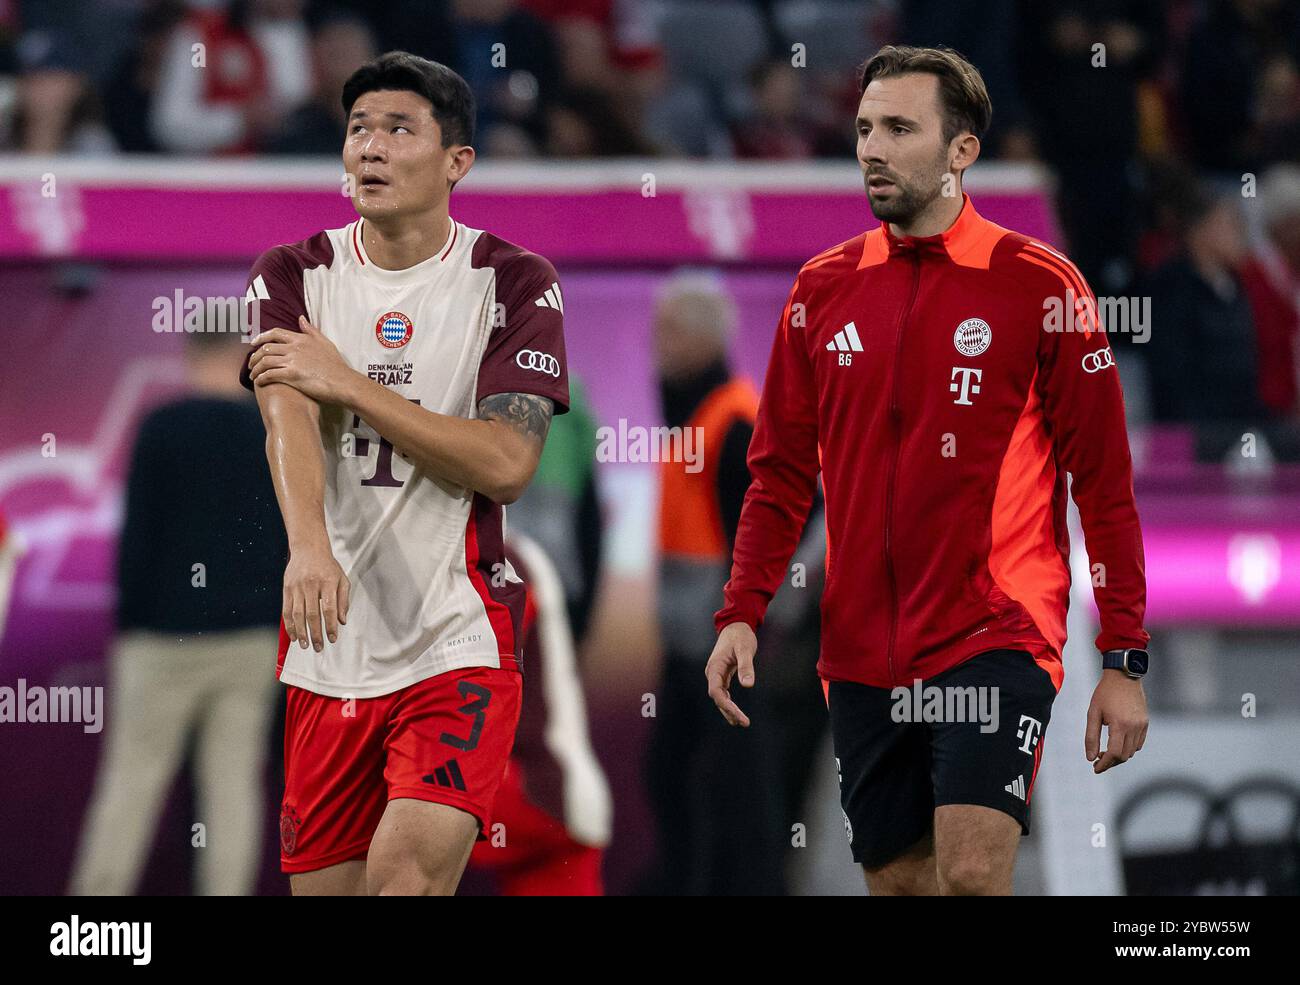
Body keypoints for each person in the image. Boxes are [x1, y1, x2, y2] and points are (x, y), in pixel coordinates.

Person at [705, 45, 1151, 896]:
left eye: (900, 128)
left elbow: (1104, 485)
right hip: (862, 648)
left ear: (961, 150)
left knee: (975, 875)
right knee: (905, 886)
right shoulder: (820, 290)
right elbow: (779, 475)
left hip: (995, 632)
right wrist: (742, 610)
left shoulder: (1041, 286)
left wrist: (1125, 658)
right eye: (865, 128)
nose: (872, 147)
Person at [241, 51, 568, 896]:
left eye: (397, 130)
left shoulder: (515, 283)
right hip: (330, 643)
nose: (370, 150)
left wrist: (348, 380)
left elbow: (505, 464)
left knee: (405, 883)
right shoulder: (291, 274)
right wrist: (308, 547)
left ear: (457, 162)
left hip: (458, 634)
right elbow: (288, 419)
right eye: (357, 130)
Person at [70, 328, 286, 896]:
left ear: (190, 354)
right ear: (244, 357)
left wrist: (130, 629)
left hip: (162, 640)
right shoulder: (271, 430)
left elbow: (137, 539)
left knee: (130, 786)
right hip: (252, 639)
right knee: (233, 789)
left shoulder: (161, 428)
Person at [642, 272, 785, 895]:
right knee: (675, 776)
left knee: (736, 792)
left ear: (703, 339)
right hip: (691, 649)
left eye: (668, 331)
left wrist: (750, 626)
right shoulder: (701, 419)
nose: (655, 344)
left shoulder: (734, 424)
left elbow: (775, 540)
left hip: (725, 652)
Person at [467, 534, 612, 895]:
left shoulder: (499, 559)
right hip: (559, 797)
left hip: (540, 788)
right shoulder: (516, 550)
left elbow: (477, 675)